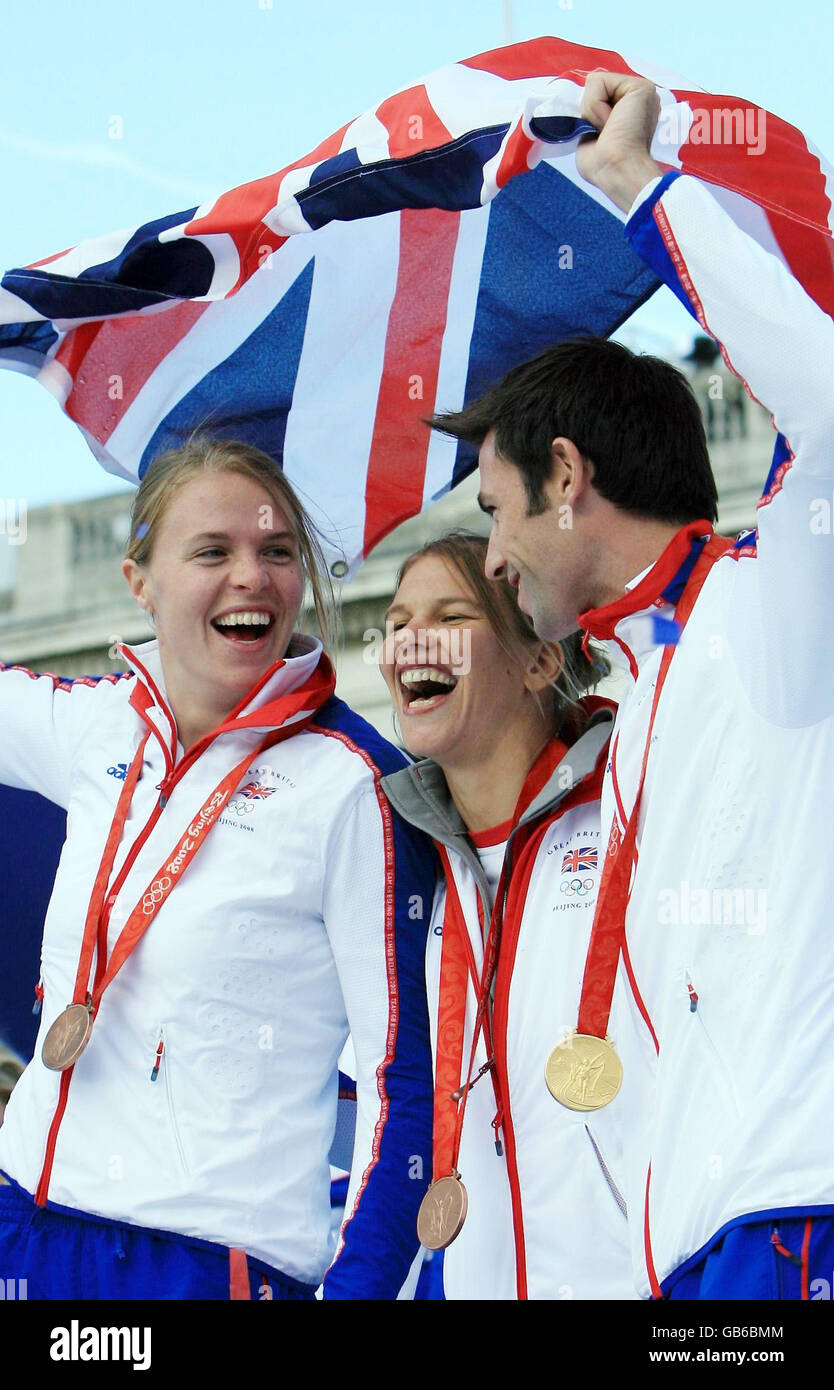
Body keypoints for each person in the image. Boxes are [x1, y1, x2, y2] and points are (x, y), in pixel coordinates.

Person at [427, 74, 834, 1301]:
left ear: (565, 476)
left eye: (494, 512)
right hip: (699, 1247)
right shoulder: (637, 690)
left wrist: (639, 189)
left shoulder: (778, 600)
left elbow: (823, 396)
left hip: (798, 1210)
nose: (490, 559)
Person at [0, 436, 434, 1300]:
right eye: (213, 551)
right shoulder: (101, 725)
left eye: (278, 552)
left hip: (205, 1263)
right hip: (25, 1229)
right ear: (140, 583)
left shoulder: (357, 786)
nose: (253, 577)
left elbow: (410, 1082)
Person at [379, 531, 636, 1300]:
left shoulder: (635, 799)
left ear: (539, 659)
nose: (410, 642)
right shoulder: (404, 860)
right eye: (395, 624)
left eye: (451, 616)